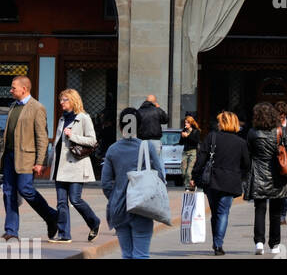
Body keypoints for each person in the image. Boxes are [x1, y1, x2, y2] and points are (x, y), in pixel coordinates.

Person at [100, 108, 166, 260]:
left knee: (127, 254)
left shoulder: (113, 149)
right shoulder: (147, 147)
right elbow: (160, 177)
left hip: (119, 208)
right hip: (142, 207)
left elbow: (105, 183)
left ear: (120, 126)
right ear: (139, 126)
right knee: (141, 254)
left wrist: (117, 196)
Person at [1, 75, 57, 242]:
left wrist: (40, 162)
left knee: (25, 189)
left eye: (13, 88)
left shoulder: (37, 108)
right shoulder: (13, 106)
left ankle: (51, 216)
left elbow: (42, 137)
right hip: (9, 156)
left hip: (26, 158)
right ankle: (11, 230)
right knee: (8, 191)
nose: (11, 90)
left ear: (24, 89)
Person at [190, 111, 250, 256]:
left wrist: (194, 176)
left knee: (215, 212)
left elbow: (201, 158)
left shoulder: (212, 137)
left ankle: (216, 242)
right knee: (223, 213)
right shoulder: (241, 142)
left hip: (212, 180)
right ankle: (218, 244)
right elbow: (247, 164)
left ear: (222, 123)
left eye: (219, 121)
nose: (217, 124)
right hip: (230, 182)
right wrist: (239, 176)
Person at [52, 88, 100, 242]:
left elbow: (92, 141)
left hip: (76, 164)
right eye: (61, 100)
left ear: (73, 100)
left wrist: (72, 135)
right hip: (60, 165)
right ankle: (64, 234)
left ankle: (94, 221)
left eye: (64, 99)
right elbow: (58, 143)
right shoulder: (61, 119)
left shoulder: (83, 118)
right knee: (61, 202)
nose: (61, 103)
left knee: (75, 199)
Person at [245, 102, 287, 255]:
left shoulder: (252, 132)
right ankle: (275, 244)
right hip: (277, 174)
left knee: (259, 209)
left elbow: (248, 153)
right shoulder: (280, 131)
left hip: (258, 174)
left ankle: (259, 242)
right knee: (276, 212)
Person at [179, 114, 201, 190]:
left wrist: (188, 136)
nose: (186, 124)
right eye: (185, 122)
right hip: (185, 151)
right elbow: (181, 142)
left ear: (191, 123)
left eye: (187, 123)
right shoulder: (184, 130)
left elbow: (195, 141)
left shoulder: (196, 131)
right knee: (183, 170)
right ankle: (189, 184)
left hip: (193, 152)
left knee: (189, 171)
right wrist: (182, 136)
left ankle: (189, 186)